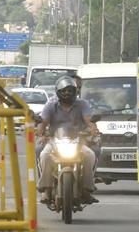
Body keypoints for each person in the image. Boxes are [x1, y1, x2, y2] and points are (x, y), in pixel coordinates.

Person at [35, 76, 99, 205]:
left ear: (75, 91)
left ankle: (87, 190)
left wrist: (93, 128)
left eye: (70, 91)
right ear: (58, 92)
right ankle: (46, 190)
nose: (67, 94)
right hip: (54, 140)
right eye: (64, 91)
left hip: (78, 141)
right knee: (44, 154)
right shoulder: (51, 105)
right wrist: (41, 132)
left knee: (90, 155)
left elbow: (89, 120)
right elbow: (43, 122)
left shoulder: (82, 104)